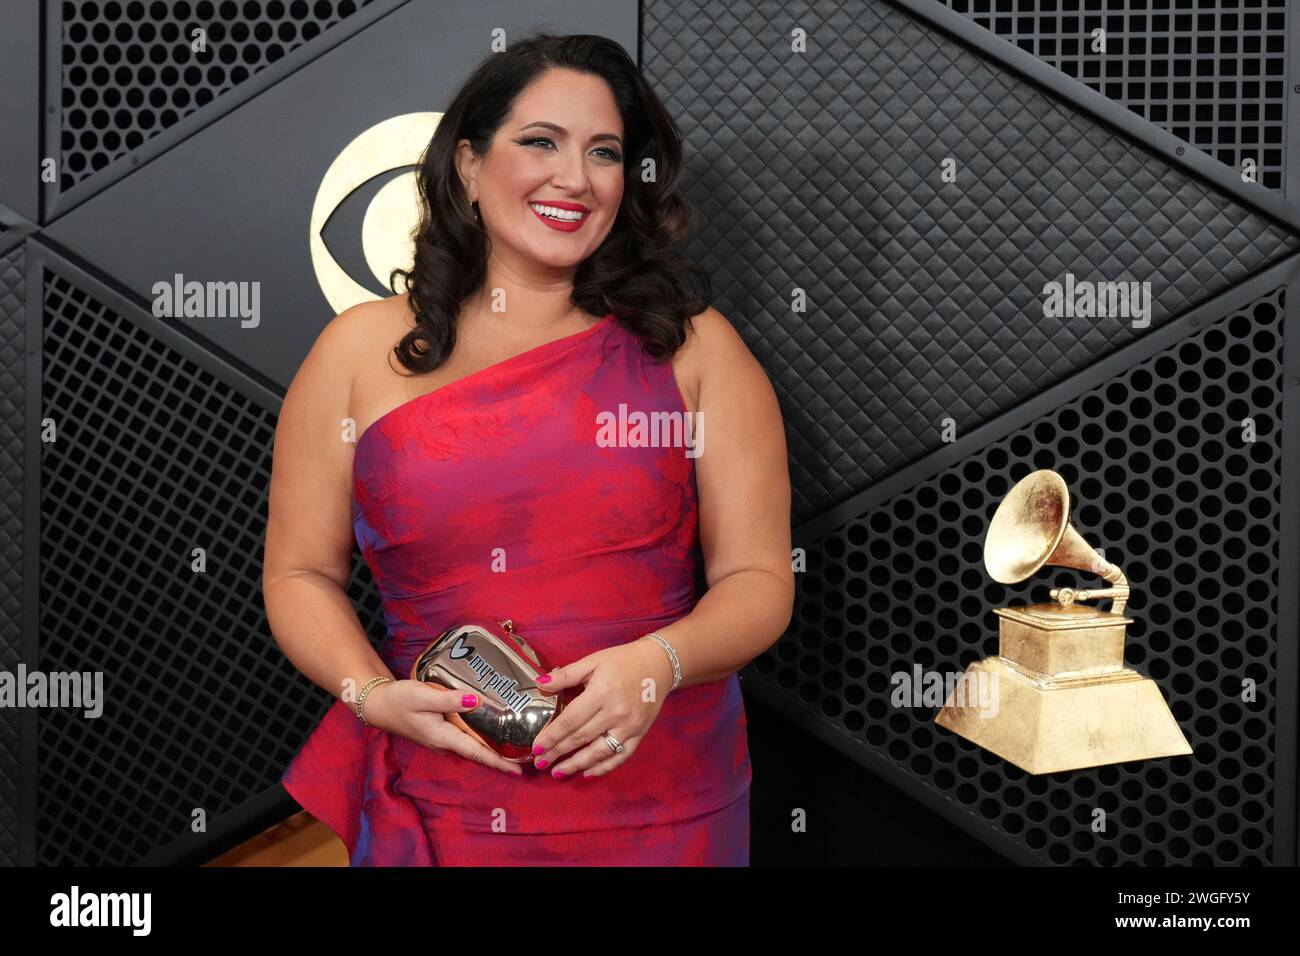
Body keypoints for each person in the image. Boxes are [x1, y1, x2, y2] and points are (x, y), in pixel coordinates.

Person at [264, 33, 793, 866]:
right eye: (539, 142)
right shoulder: (356, 353)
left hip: (664, 800)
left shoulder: (695, 350)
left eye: (605, 152)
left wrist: (660, 662)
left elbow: (759, 580)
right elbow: (298, 574)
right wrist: (369, 696)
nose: (574, 178)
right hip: (447, 796)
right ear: (468, 166)